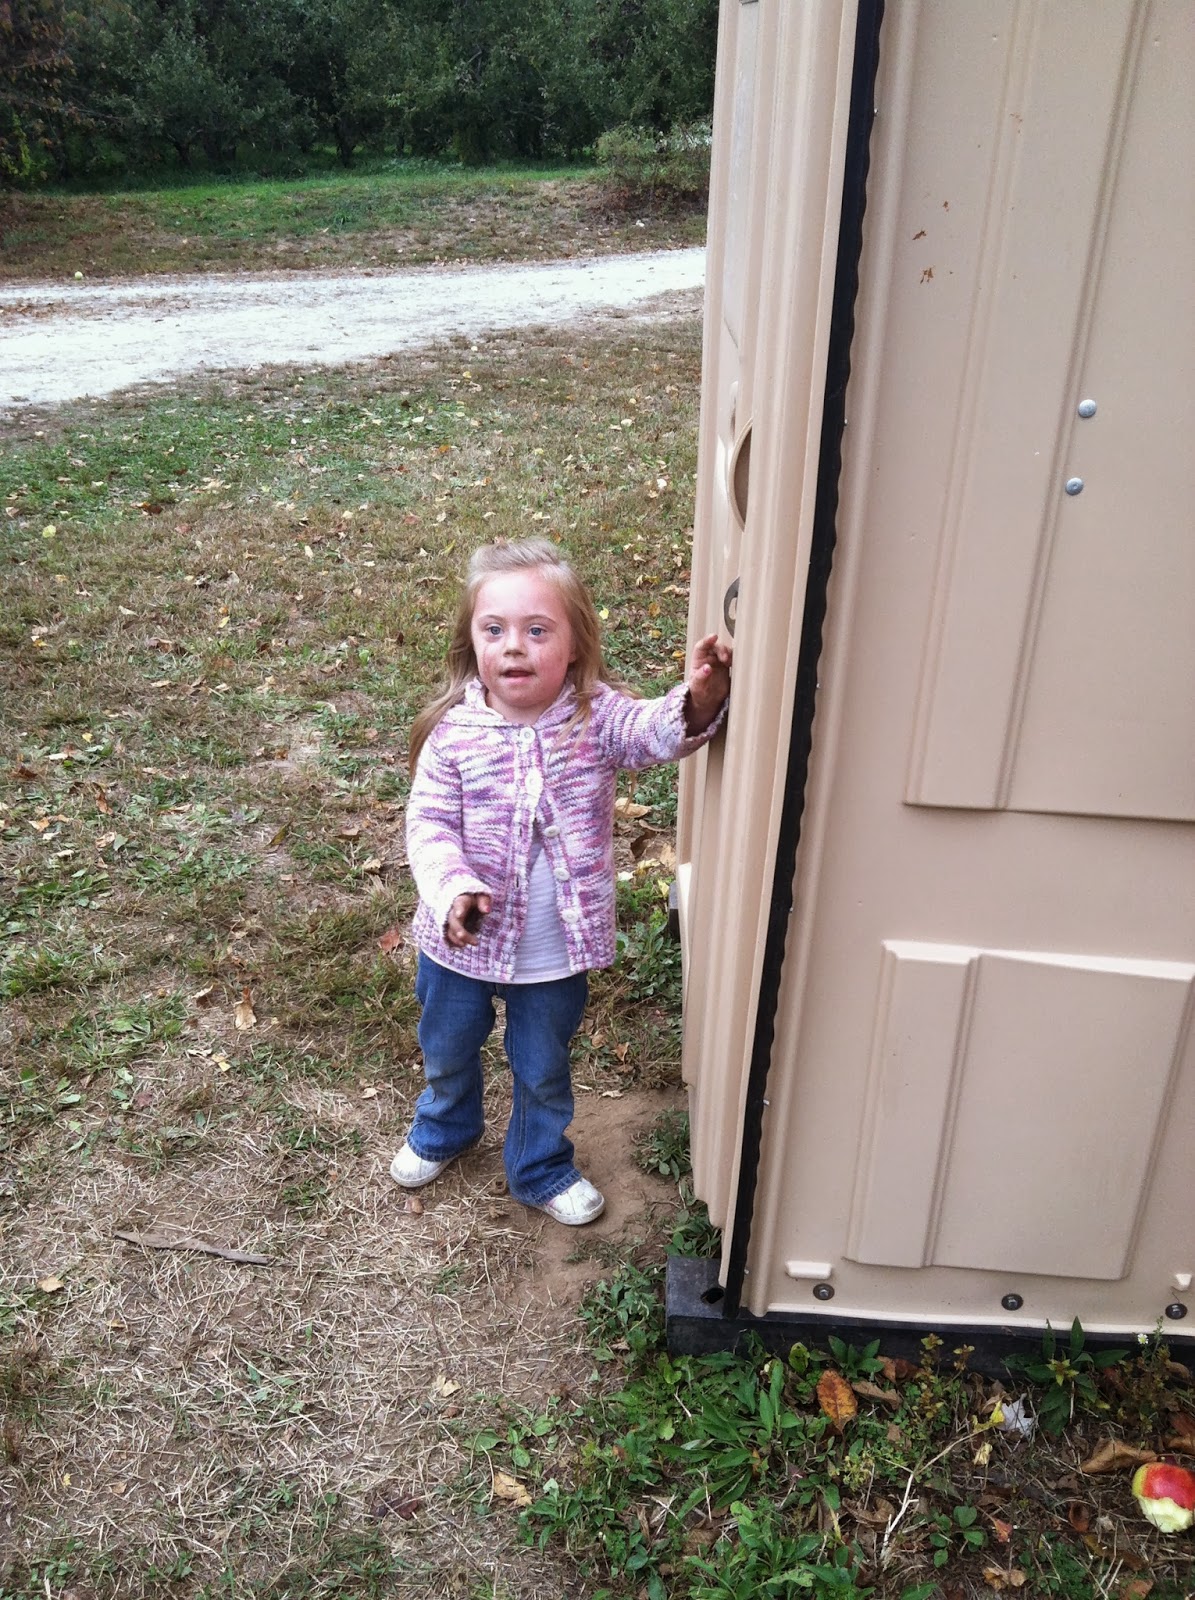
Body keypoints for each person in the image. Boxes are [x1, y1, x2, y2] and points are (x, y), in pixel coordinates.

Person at [390, 538, 731, 1225]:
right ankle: (445, 1128)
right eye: (495, 630)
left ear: (574, 645)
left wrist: (701, 695)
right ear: (472, 642)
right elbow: (428, 828)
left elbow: (655, 733)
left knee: (542, 1065)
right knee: (449, 1045)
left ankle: (539, 1166)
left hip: (554, 950)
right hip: (460, 944)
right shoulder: (453, 735)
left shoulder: (594, 716)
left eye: (537, 630)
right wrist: (453, 888)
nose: (513, 647)